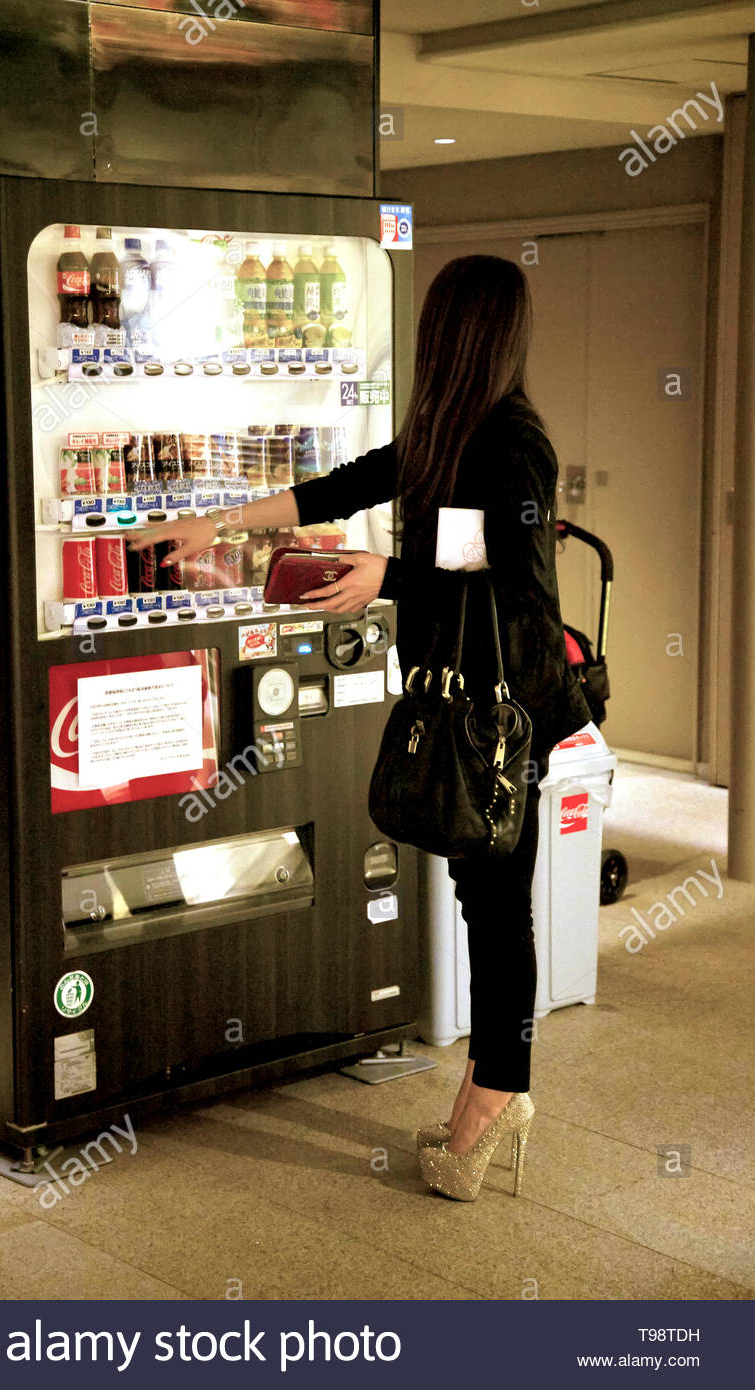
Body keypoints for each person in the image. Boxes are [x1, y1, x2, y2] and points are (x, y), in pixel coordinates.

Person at [132, 255, 591, 1201]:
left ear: (450, 332)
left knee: (498, 908)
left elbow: (522, 589)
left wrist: (390, 578)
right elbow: (340, 488)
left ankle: (498, 1092)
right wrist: (222, 525)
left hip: (502, 719)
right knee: (482, 895)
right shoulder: (448, 431)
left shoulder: (514, 443)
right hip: (462, 701)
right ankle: (490, 1084)